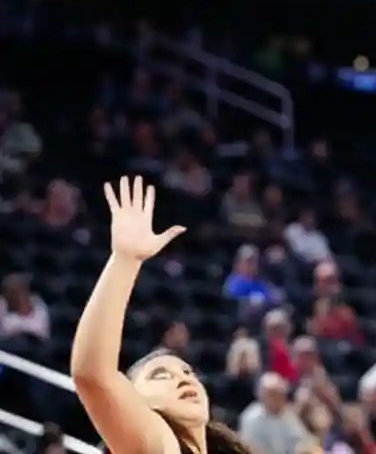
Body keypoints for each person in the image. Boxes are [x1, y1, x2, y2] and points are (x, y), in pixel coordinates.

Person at [70, 176, 253, 454]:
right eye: (159, 375)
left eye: (187, 371)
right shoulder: (162, 445)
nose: (184, 378)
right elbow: (92, 375)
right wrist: (125, 259)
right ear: (132, 401)